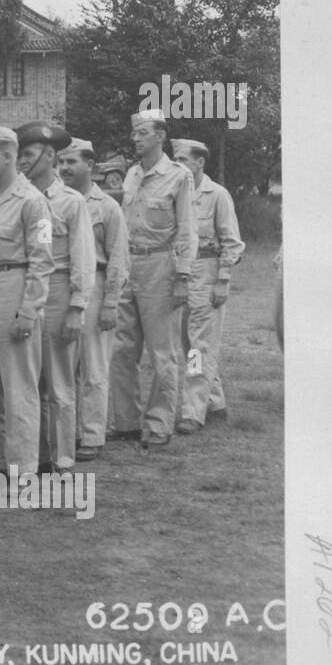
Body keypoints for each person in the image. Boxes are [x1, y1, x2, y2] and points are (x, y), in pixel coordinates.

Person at [107, 110, 196, 449]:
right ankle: (127, 422)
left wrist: (183, 276)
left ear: (160, 136)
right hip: (129, 264)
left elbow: (187, 227)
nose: (136, 138)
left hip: (162, 265)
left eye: (143, 133)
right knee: (122, 348)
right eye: (134, 134)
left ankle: (159, 424)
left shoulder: (178, 176)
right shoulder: (130, 174)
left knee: (163, 351)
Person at [0, 126, 54, 479]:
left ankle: (23, 470)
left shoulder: (33, 201)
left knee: (19, 387)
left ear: (8, 156)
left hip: (15, 288)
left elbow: (43, 259)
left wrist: (29, 310)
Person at [16, 121, 95, 474]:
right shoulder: (16, 199)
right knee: (29, 381)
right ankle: (38, 454)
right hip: (25, 292)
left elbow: (82, 257)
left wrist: (78, 306)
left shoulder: (71, 202)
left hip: (60, 292)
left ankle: (63, 458)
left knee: (60, 382)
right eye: (19, 155)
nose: (22, 162)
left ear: (49, 157)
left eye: (29, 155)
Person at [58, 138, 129, 463]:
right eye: (61, 162)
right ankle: (65, 433)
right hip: (63, 285)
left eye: (72, 162)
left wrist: (111, 302)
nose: (65, 168)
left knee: (94, 366)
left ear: (91, 165)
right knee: (62, 367)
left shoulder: (107, 207)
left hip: (97, 285)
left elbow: (117, 258)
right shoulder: (55, 202)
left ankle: (92, 435)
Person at [172, 139, 244, 433]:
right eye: (174, 159)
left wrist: (223, 280)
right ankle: (215, 403)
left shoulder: (217, 195)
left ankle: (192, 413)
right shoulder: (177, 192)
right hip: (182, 273)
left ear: (200, 162)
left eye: (182, 159)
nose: (176, 165)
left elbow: (232, 243)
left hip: (207, 271)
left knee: (198, 347)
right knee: (189, 343)